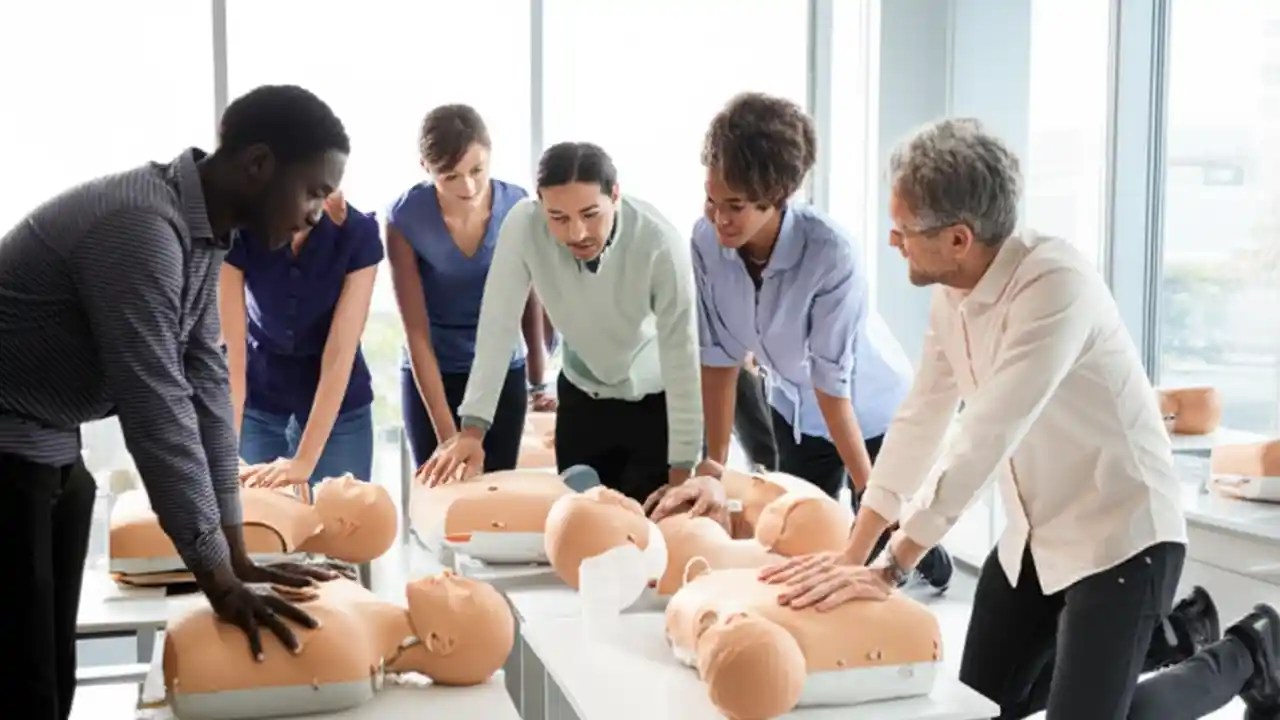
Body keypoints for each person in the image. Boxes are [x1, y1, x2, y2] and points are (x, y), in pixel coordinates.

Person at [759, 117, 1279, 719]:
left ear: (959, 238)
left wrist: (893, 566)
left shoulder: (1055, 285)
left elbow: (985, 434)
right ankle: (1174, 635)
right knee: (978, 708)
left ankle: (1250, 652)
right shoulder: (952, 294)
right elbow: (921, 417)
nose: (894, 240)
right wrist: (854, 553)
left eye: (903, 229)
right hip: (1033, 537)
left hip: (1123, 536)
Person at [0, 85, 350, 719]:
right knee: (24, 683)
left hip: (50, 441)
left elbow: (206, 385)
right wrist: (218, 581)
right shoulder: (140, 228)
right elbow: (157, 410)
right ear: (259, 164)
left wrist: (235, 553)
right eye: (313, 192)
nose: (315, 215)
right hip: (10, 444)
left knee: (51, 677)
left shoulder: (201, 234)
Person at [675, 92, 951, 591]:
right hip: (796, 415)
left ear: (777, 195)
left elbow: (832, 381)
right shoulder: (706, 243)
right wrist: (713, 465)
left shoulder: (829, 253)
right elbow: (719, 359)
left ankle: (931, 561)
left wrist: (871, 493)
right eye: (711, 201)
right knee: (803, 543)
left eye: (735, 207)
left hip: (869, 413)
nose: (719, 219)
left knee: (888, 538)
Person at [420, 142, 703, 504]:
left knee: (647, 526)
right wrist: (473, 430)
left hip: (655, 405)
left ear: (615, 195)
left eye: (590, 214)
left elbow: (682, 358)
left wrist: (682, 471)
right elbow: (497, 324)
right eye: (558, 218)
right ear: (540, 204)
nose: (577, 233)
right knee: (577, 520)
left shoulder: (659, 242)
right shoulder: (523, 226)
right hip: (582, 401)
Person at [387, 104, 554, 474]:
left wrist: (538, 382)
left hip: (501, 370)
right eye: (450, 176)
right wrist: (450, 438)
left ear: (490, 154)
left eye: (477, 170)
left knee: (496, 492)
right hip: (433, 372)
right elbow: (416, 332)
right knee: (441, 489)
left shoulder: (517, 205)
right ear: (425, 168)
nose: (468, 187)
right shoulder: (405, 218)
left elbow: (530, 298)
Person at [220, 190, 382, 489]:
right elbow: (232, 351)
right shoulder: (237, 231)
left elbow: (340, 351)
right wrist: (225, 451)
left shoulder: (358, 233)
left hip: (338, 408)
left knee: (341, 515)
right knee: (255, 512)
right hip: (258, 399)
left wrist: (304, 461)